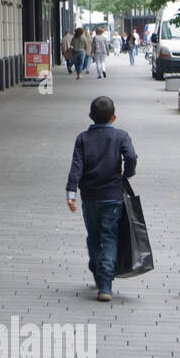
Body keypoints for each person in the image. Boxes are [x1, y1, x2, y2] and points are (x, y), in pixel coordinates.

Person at [65, 96, 138, 302]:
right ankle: (105, 284)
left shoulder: (82, 139)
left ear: (90, 116)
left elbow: (76, 167)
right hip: (113, 196)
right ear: (113, 117)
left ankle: (98, 270)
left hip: (90, 197)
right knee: (110, 237)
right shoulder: (121, 136)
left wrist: (71, 193)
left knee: (94, 236)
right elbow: (131, 157)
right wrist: (127, 174)